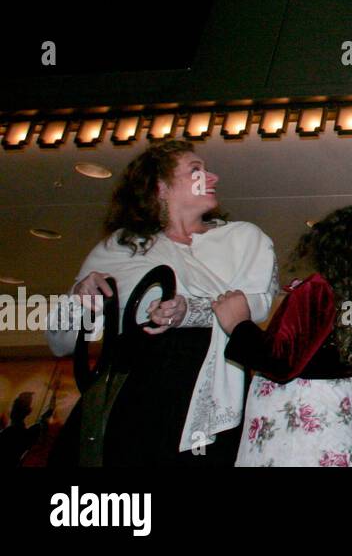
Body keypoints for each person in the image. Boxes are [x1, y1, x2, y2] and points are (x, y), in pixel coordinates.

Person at [45, 140, 278, 466]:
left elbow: (256, 304)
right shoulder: (122, 246)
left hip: (211, 398)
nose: (213, 177)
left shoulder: (244, 239)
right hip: (135, 397)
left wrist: (188, 311)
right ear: (160, 187)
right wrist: (79, 300)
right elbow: (61, 340)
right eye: (196, 170)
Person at [214, 205, 352, 467]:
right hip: (329, 441)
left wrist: (238, 324)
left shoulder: (320, 291)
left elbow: (281, 360)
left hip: (294, 444)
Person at [0, 393, 49, 467]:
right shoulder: (21, 431)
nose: (13, 410)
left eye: (16, 408)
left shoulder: (13, 431)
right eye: (15, 407)